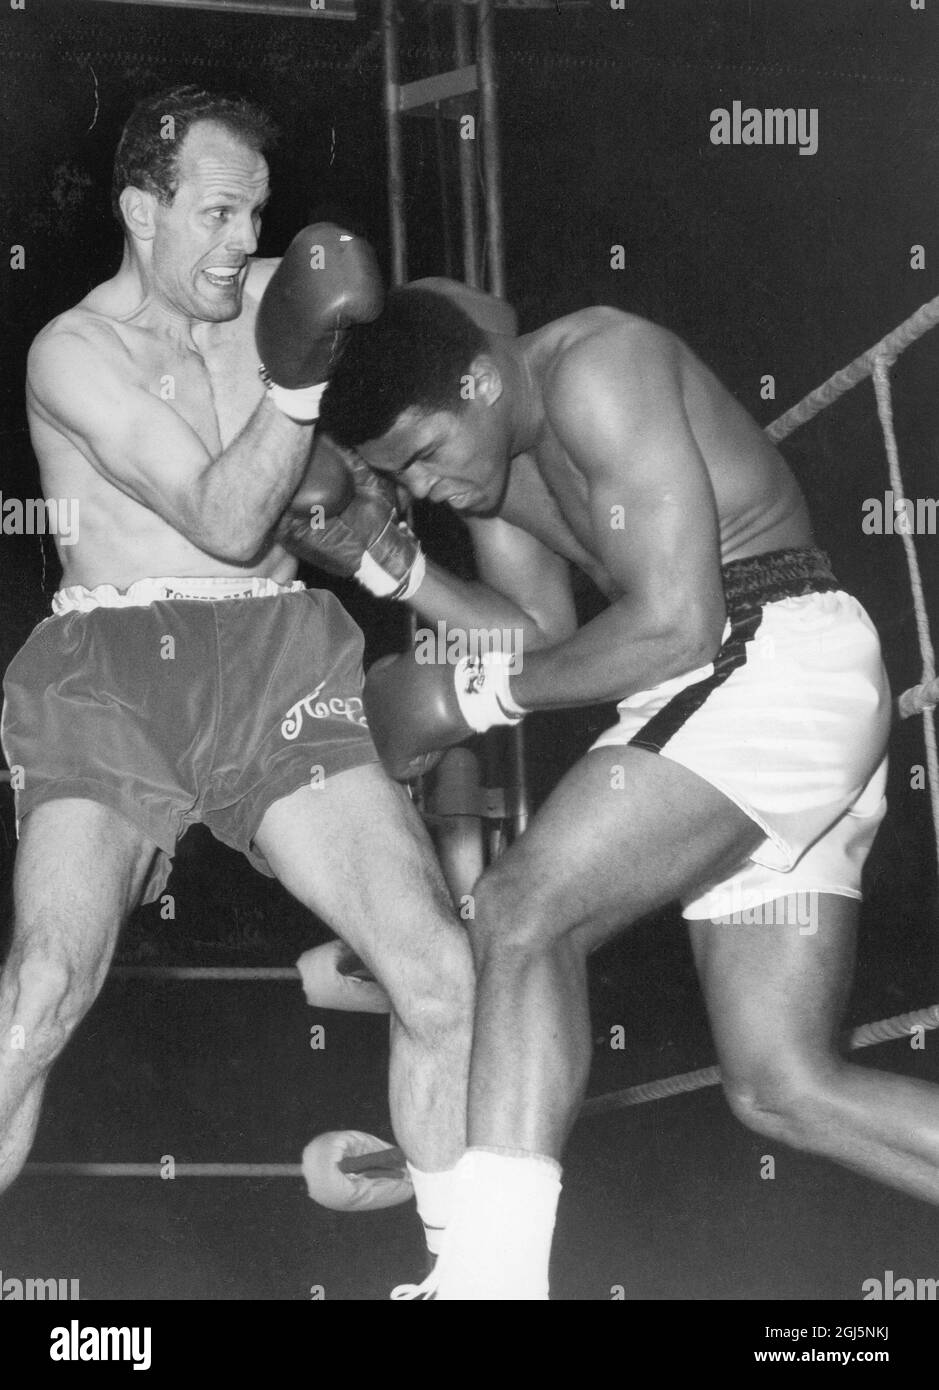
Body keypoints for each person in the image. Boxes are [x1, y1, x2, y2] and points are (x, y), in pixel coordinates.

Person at [315, 286, 939, 1300]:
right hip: (738, 703)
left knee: (521, 909)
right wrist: (393, 570)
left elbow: (676, 624)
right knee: (782, 1086)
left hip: (765, 659)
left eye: (424, 452)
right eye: (402, 474)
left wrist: (461, 698)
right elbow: (538, 638)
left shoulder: (598, 367)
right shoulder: (493, 472)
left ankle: (487, 1283)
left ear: (478, 379)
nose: (424, 484)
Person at [0, 91, 473, 1271]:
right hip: (113, 671)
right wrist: (302, 389)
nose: (241, 243)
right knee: (44, 986)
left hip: (276, 660)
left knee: (438, 967)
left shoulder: (276, 295)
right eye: (215, 214)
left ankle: (472, 1273)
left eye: (256, 215)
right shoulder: (73, 350)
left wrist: (383, 507)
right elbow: (221, 517)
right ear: (139, 210)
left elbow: (464, 370)